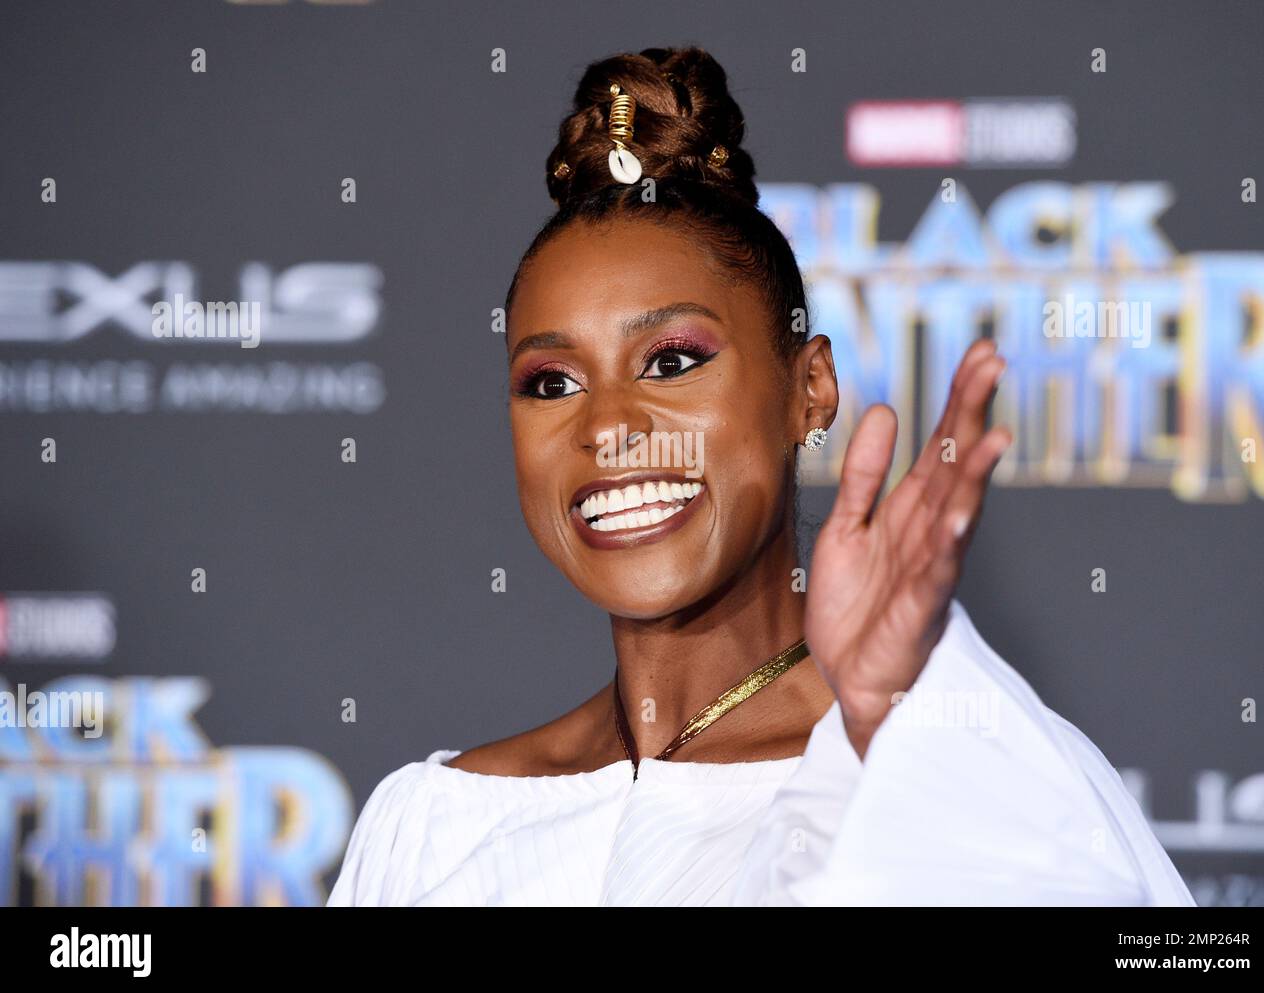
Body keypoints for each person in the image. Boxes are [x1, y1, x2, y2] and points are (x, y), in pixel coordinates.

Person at [327, 46, 1194, 906]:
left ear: (809, 390)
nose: (609, 427)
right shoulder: (437, 824)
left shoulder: (965, 769)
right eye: (551, 382)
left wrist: (900, 739)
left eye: (670, 361)